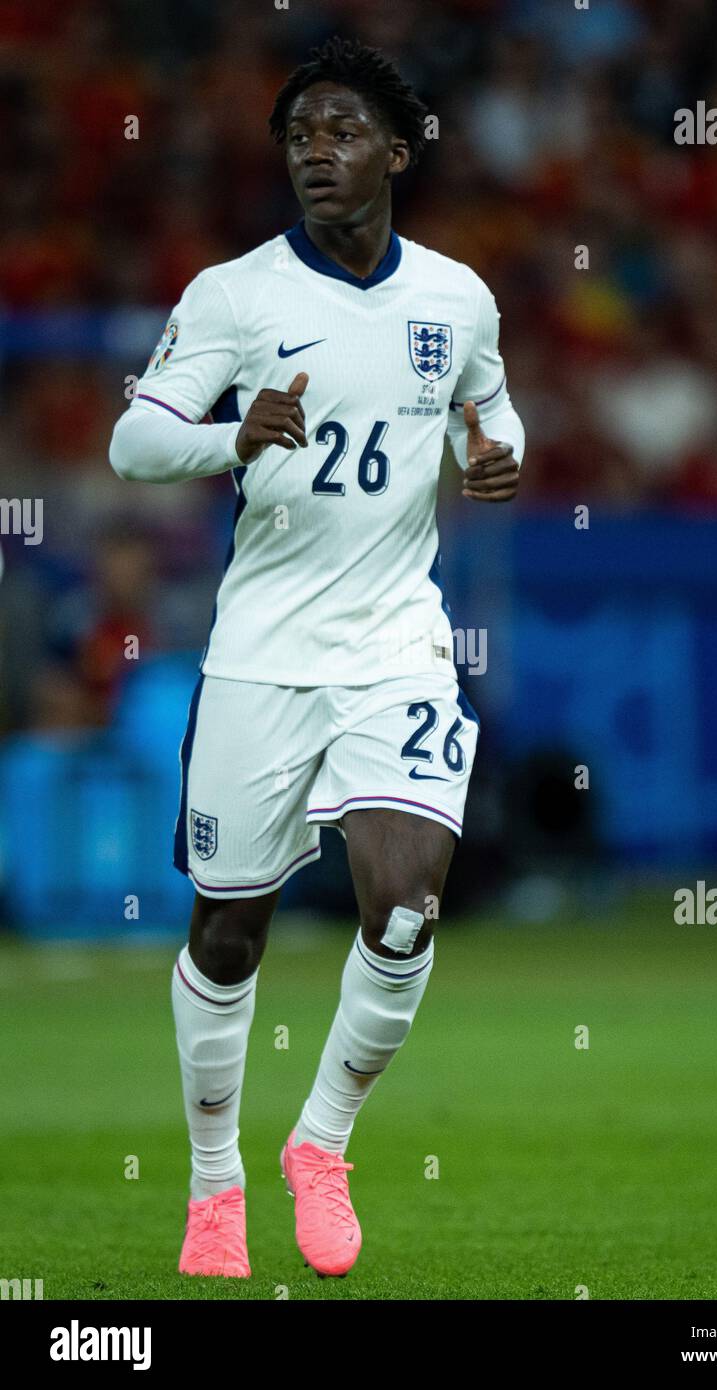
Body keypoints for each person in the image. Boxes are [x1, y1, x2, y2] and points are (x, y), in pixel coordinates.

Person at [110, 35, 525, 1281]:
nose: (314, 152)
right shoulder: (235, 296)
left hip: (396, 643)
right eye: (298, 136)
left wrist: (498, 454)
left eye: (341, 132)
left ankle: (322, 1142)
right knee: (227, 935)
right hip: (261, 656)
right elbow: (135, 442)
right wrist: (235, 435)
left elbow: (489, 408)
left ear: (396, 153)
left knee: (404, 906)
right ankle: (213, 1185)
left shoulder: (454, 298)